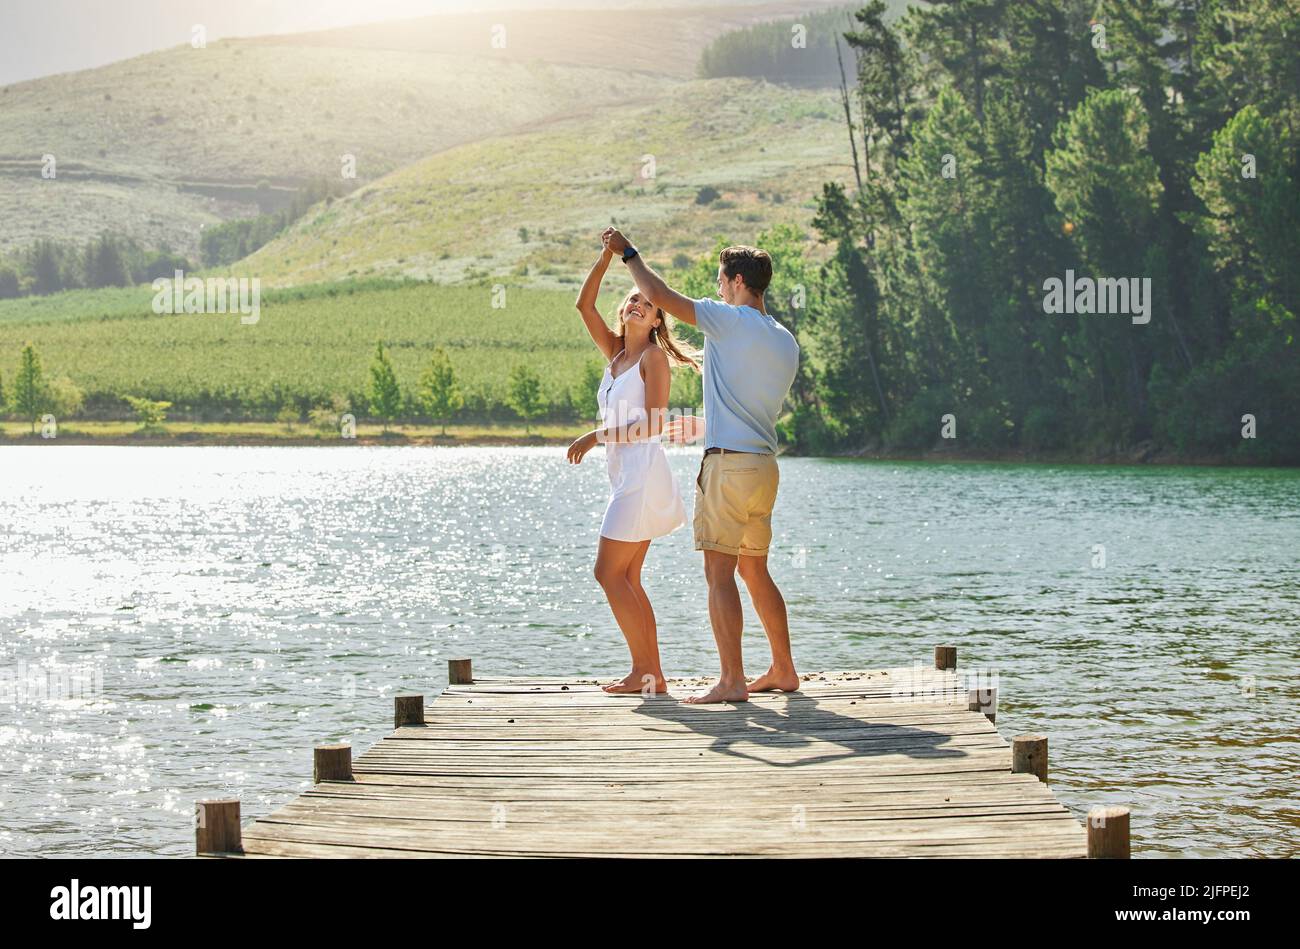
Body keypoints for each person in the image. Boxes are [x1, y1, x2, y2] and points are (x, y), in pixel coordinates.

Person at [600, 226, 801, 704]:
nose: (716, 289)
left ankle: (732, 680)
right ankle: (784, 669)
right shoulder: (785, 340)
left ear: (735, 282)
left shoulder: (730, 320)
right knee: (757, 570)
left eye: (719, 281)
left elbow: (659, 295)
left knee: (720, 574)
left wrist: (627, 252)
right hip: (764, 467)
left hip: (728, 466)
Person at [567, 238, 700, 694]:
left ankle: (647, 672)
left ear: (659, 317)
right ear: (623, 314)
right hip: (625, 476)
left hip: (642, 475)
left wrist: (595, 436)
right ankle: (650, 675)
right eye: (631, 300)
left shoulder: (653, 358)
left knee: (607, 573)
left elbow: (655, 424)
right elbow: (584, 306)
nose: (637, 304)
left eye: (647, 303)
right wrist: (605, 260)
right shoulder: (617, 355)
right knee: (627, 577)